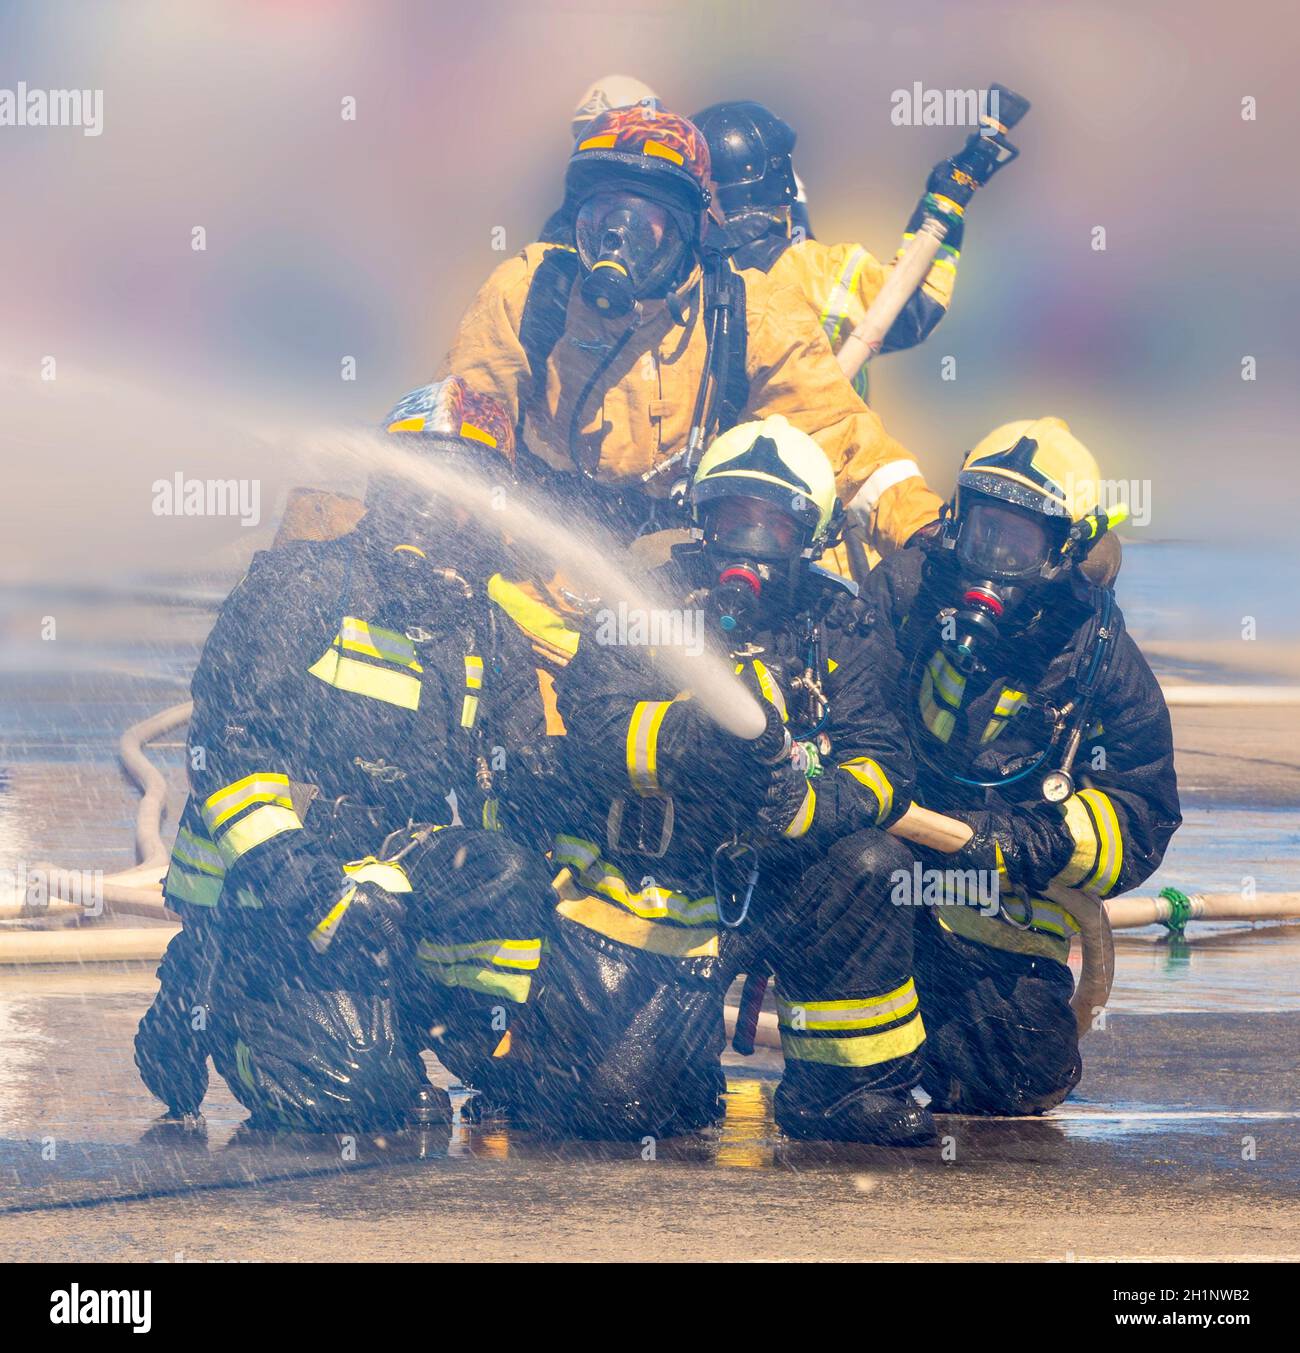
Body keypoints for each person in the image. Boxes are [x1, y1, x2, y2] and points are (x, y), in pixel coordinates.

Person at [450, 415, 931, 1143]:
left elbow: (882, 763)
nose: (751, 542)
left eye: (775, 524)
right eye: (734, 517)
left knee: (873, 866)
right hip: (660, 880)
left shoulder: (842, 621)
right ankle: (628, 1074)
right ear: (703, 518)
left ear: (812, 535)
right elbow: (596, 725)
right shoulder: (647, 601)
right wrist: (690, 741)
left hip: (789, 876)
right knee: (620, 1110)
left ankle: (843, 1091)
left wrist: (807, 805)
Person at [134, 379, 556, 1131]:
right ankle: (206, 995)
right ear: (387, 483)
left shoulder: (489, 635)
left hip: (386, 895)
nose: (443, 508)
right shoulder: (302, 590)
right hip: (264, 902)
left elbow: (509, 815)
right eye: (429, 480)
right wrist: (317, 892)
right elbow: (228, 762)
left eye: (468, 489)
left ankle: (440, 1034)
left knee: (505, 878)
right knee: (355, 1101)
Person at [441, 103, 933, 558]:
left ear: (689, 227)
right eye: (601, 213)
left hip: (674, 593)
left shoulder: (748, 314)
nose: (617, 235)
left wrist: (925, 537)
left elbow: (845, 442)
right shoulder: (530, 290)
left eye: (641, 218)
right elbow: (466, 417)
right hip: (521, 567)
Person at [863, 416, 1181, 1114]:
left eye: (1017, 541)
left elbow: (1143, 812)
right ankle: (846, 1075)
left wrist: (1031, 841)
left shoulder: (1097, 657)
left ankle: (932, 1052)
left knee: (1018, 1078)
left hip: (997, 900)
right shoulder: (907, 592)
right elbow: (850, 713)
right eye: (983, 529)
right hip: (882, 864)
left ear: (1063, 549)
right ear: (957, 517)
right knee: (856, 878)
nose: (989, 559)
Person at [690, 99, 961, 562]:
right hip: (818, 500)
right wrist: (944, 210)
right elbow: (913, 307)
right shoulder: (817, 270)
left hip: (715, 509)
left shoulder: (681, 283)